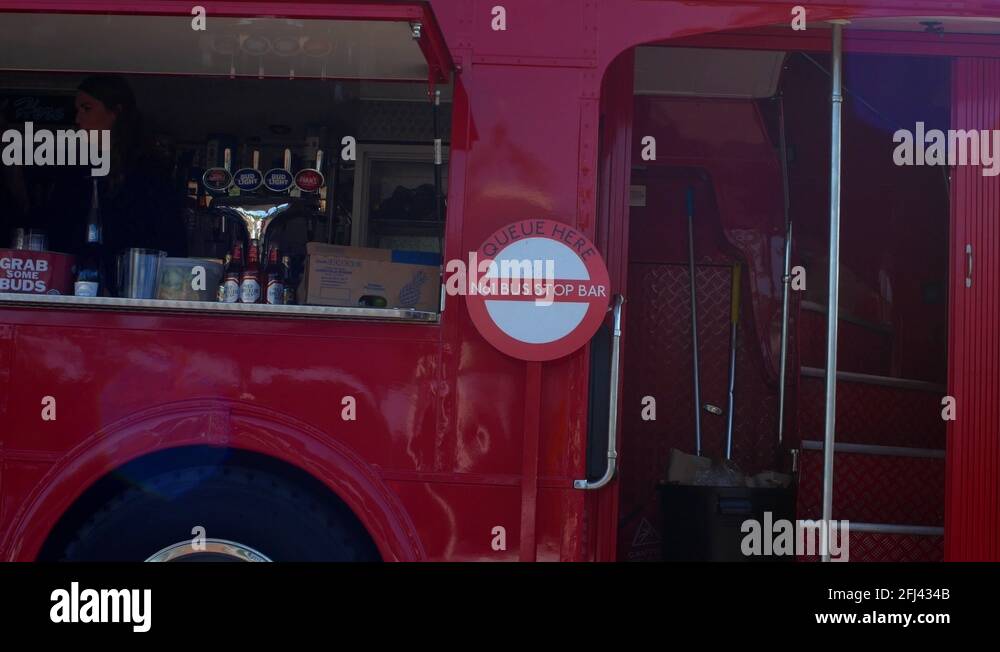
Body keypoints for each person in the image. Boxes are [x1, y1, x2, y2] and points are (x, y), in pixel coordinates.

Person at [43, 74, 186, 268]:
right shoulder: (73, 168)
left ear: (115, 112)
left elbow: (169, 238)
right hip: (74, 285)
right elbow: (54, 232)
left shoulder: (147, 170)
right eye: (77, 110)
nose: (78, 118)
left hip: (131, 287)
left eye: (87, 109)